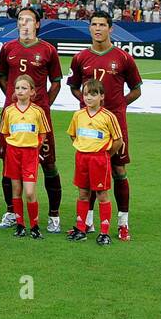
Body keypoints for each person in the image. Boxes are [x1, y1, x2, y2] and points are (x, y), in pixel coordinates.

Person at [66, 11, 141, 242]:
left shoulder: (123, 58)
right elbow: (74, 86)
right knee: (88, 174)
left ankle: (123, 224)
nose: (97, 29)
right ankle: (87, 223)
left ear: (111, 29)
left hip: (115, 123)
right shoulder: (80, 58)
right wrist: (88, 106)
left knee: (118, 171)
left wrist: (117, 107)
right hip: (89, 125)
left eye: (102, 25)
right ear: (89, 28)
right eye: (94, 25)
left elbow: (136, 90)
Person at [0, 7, 63, 232]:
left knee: (48, 163)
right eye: (20, 20)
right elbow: (3, 76)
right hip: (12, 117)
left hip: (38, 117)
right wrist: (13, 102)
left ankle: (54, 215)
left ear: (37, 24)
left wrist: (43, 106)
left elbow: (56, 82)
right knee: (9, 165)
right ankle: (12, 212)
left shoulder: (48, 50)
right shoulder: (8, 48)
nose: (24, 23)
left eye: (29, 20)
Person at [66, 79, 125, 245]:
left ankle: (104, 232)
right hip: (82, 157)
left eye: (93, 94)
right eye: (86, 94)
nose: (89, 98)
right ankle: (81, 229)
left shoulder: (108, 116)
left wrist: (106, 154)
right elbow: (73, 134)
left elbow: (118, 140)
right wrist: (83, 146)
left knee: (101, 195)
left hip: (99, 159)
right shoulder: (78, 115)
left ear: (101, 96)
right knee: (83, 193)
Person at [0, 74, 49, 239]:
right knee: (16, 190)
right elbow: (5, 132)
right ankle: (20, 225)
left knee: (29, 192)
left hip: (30, 154)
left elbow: (43, 133)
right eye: (18, 88)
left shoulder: (38, 111)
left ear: (32, 92)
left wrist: (35, 147)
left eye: (24, 88)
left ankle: (34, 226)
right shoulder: (8, 111)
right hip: (13, 153)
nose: (20, 91)